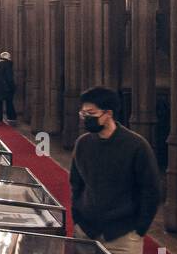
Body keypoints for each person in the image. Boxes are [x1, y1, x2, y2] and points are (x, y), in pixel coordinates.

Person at [68, 87, 161, 243]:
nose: (85, 118)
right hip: (86, 230)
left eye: (91, 114)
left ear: (108, 114)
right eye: (83, 114)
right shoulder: (83, 143)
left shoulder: (136, 145)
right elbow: (76, 183)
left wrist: (140, 229)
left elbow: (151, 190)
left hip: (122, 234)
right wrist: (77, 217)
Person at [0, 50, 17, 124]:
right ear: (8, 58)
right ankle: (11, 118)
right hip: (6, 88)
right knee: (9, 103)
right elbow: (9, 77)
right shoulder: (7, 64)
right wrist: (13, 87)